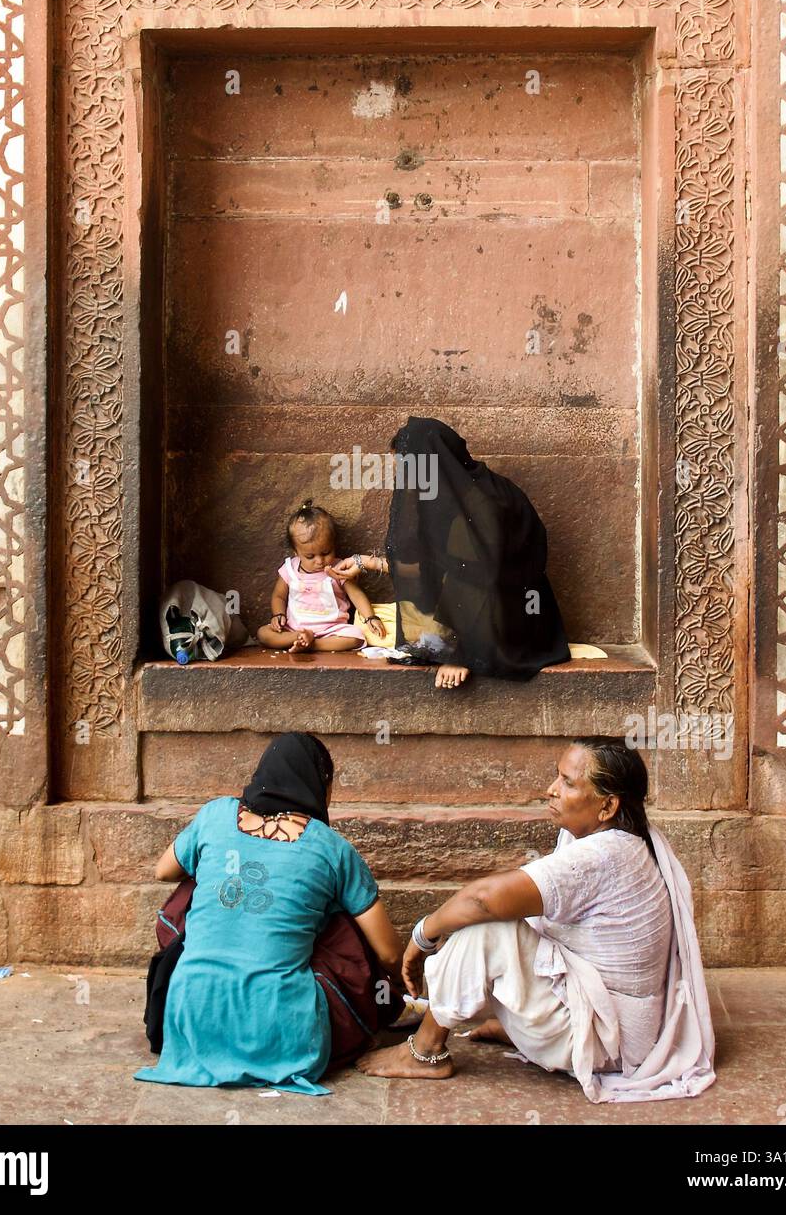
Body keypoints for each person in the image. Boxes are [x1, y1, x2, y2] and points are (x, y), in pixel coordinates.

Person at [357, 737, 716, 1104]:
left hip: (604, 1043)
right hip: (619, 1030)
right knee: (514, 920)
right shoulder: (623, 840)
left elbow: (484, 899)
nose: (551, 790)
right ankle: (520, 1026)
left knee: (486, 926)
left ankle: (425, 1051)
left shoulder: (602, 856)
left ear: (607, 806)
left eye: (568, 783)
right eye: (557, 778)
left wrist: (422, 937)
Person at [135, 732, 403, 1094]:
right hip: (286, 1035)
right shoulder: (332, 849)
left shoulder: (216, 814)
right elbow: (387, 952)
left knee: (194, 883)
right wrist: (399, 987)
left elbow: (164, 870)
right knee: (338, 916)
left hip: (189, 1020)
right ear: (321, 787)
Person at [330, 417, 570, 688]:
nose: (405, 481)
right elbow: (440, 569)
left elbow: (483, 579)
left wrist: (460, 655)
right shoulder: (458, 497)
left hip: (514, 623)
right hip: (494, 608)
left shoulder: (484, 506)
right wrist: (366, 563)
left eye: (410, 470)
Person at [256, 500, 386, 653]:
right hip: (294, 628)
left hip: (331, 630)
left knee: (356, 637)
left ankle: (311, 644)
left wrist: (370, 617)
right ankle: (301, 637)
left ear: (333, 545)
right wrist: (278, 615)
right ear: (296, 552)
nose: (319, 561)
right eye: (310, 556)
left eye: (326, 553)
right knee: (263, 634)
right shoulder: (290, 569)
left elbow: (356, 594)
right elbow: (279, 596)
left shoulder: (340, 568)